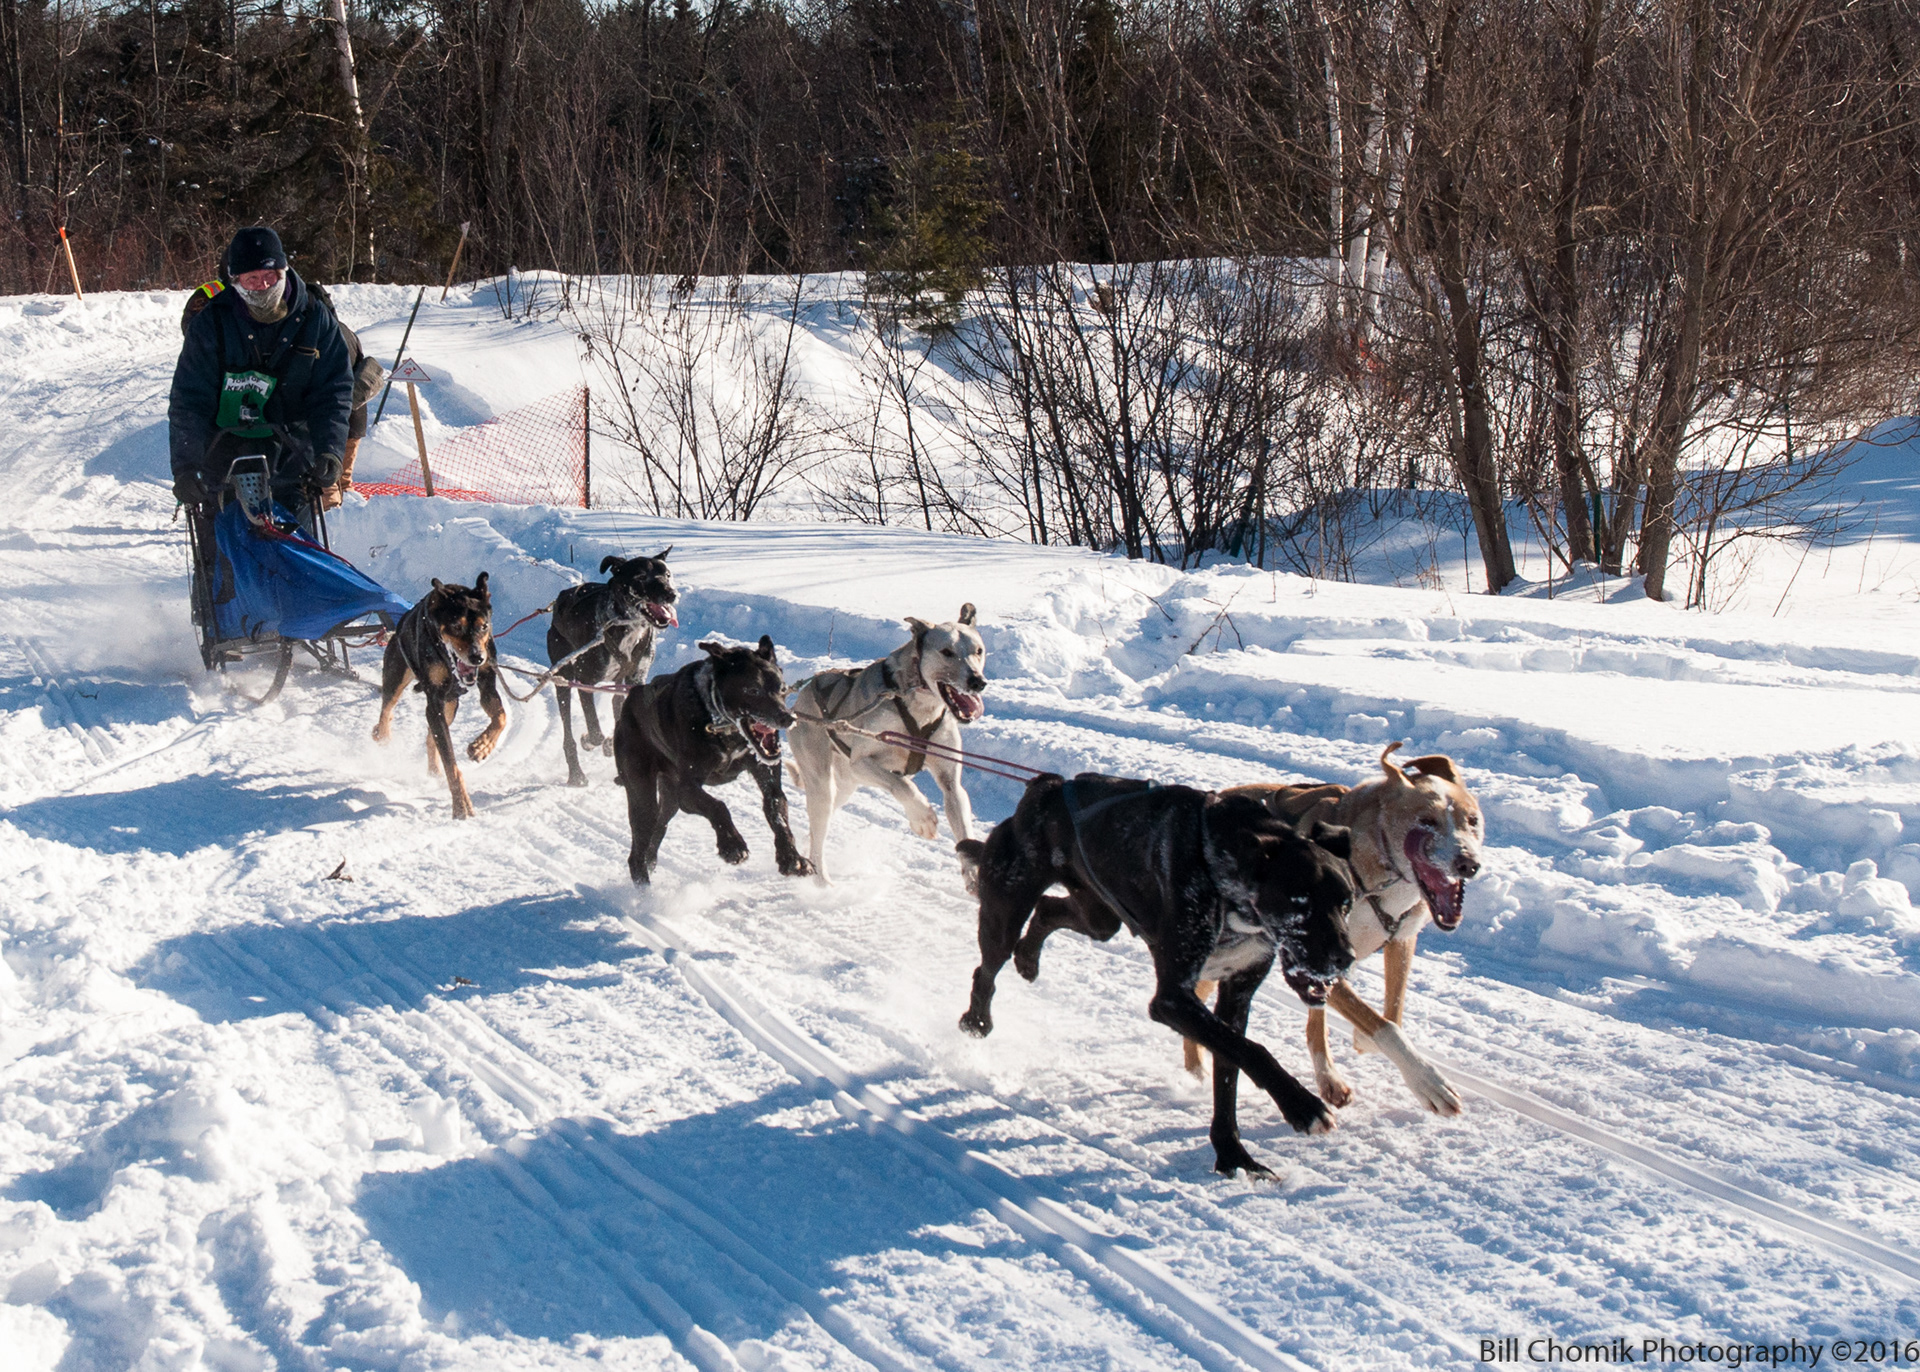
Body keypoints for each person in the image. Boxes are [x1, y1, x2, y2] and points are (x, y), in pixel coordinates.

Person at [168, 226, 353, 520]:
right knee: (227, 555)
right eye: (251, 279)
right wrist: (186, 467)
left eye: (270, 276)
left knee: (293, 550)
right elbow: (190, 399)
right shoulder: (211, 323)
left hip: (293, 459)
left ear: (284, 270)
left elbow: (333, 391)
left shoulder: (315, 318)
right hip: (223, 461)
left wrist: (329, 450)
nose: (263, 286)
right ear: (235, 280)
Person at [180, 265, 384, 511]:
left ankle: (334, 519)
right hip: (342, 420)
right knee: (332, 483)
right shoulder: (327, 331)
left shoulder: (327, 337)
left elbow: (330, 392)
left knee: (327, 488)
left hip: (341, 420)